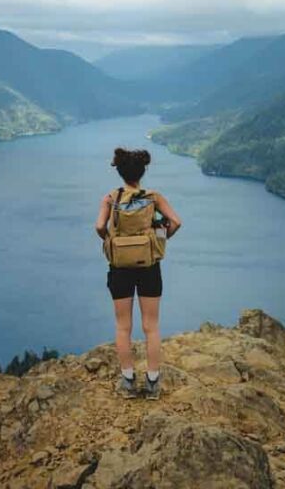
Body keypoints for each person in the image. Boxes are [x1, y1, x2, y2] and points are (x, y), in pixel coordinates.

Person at [95, 147, 182, 399]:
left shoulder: (110, 198)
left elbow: (99, 226)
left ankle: (128, 383)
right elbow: (176, 222)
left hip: (120, 268)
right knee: (150, 326)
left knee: (123, 327)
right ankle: (153, 384)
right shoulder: (153, 197)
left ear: (121, 172)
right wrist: (159, 239)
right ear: (142, 172)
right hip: (149, 267)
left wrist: (112, 241)